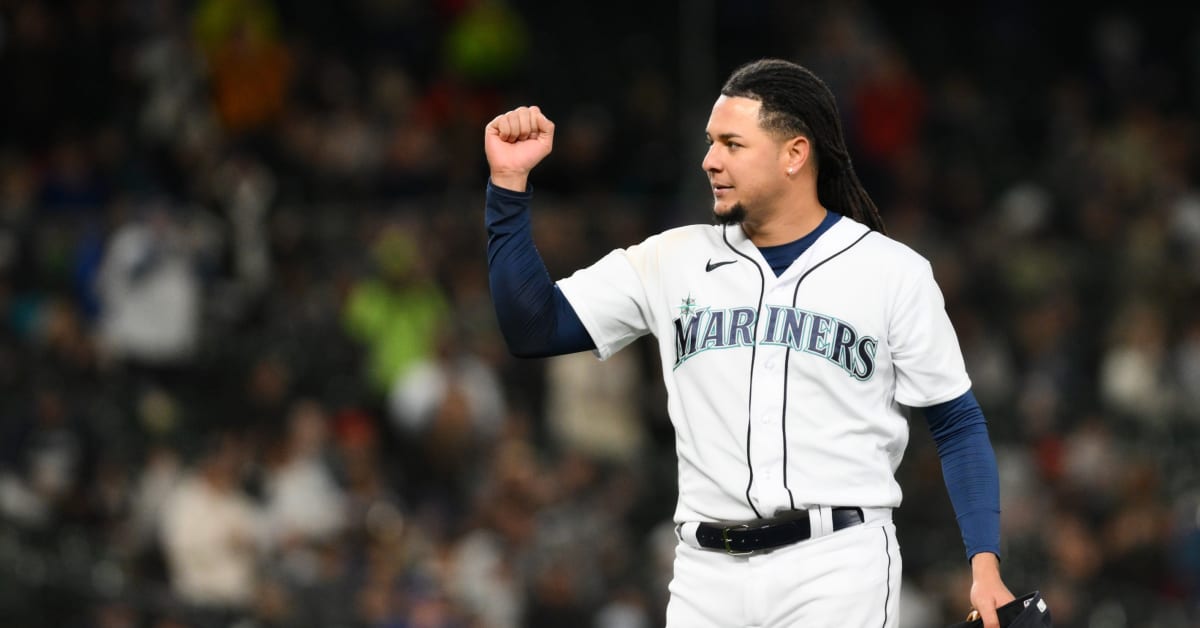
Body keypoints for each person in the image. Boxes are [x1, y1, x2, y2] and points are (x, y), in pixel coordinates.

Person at [482, 58, 1015, 628]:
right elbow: (532, 327)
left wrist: (984, 566)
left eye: (733, 144)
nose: (710, 160)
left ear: (794, 154)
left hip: (835, 564)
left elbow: (957, 424)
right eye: (712, 142)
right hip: (704, 572)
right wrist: (509, 187)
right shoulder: (672, 259)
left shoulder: (891, 272)